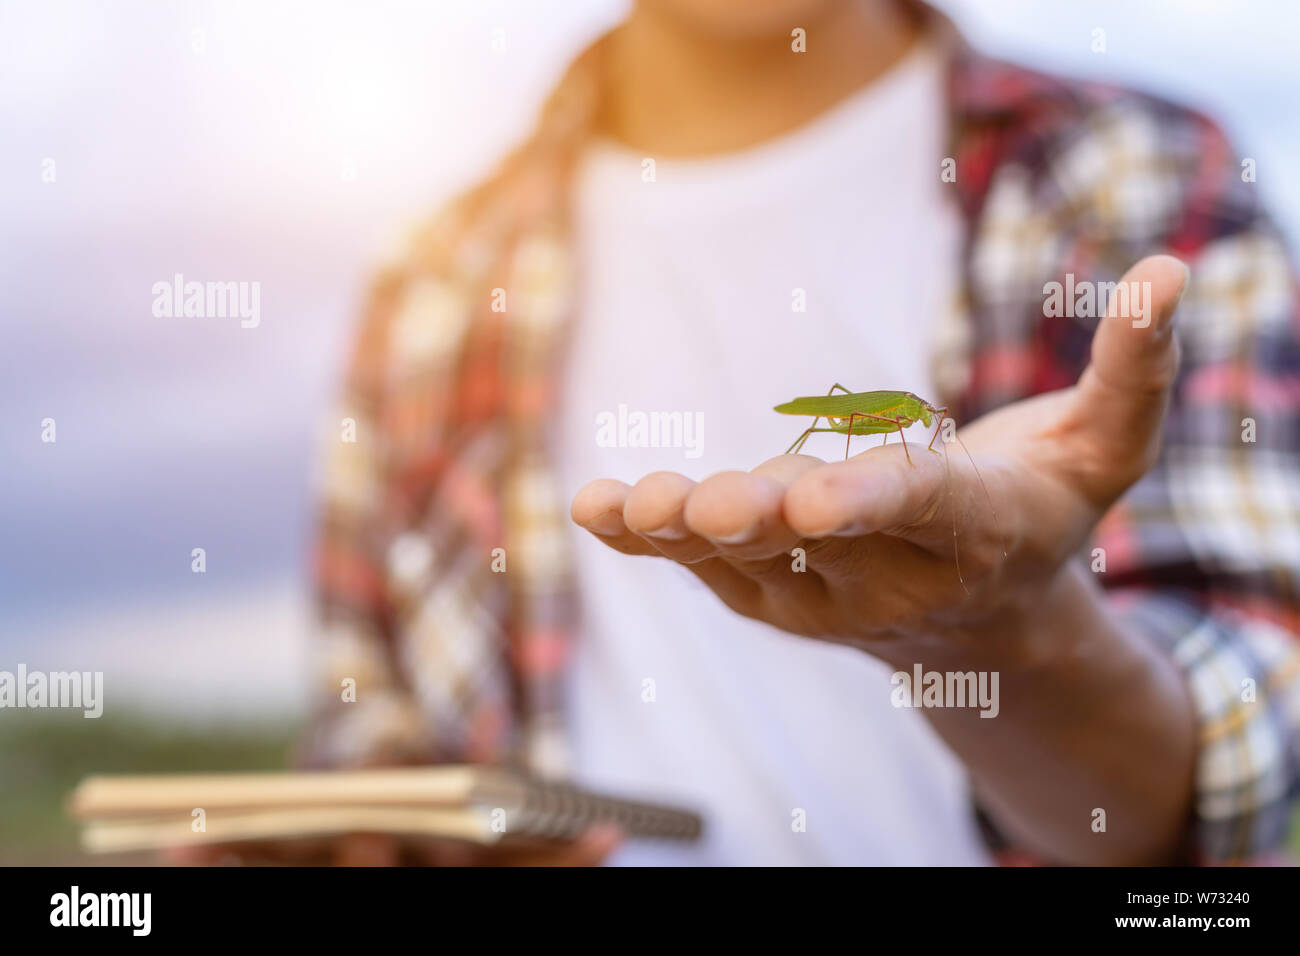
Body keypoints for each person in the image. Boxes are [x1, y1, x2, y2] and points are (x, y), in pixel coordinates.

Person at [287, 0, 1300, 865]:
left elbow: (1218, 788)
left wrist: (1010, 629)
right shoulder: (429, 277)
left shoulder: (1133, 175)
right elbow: (368, 716)